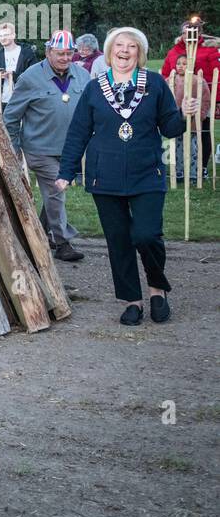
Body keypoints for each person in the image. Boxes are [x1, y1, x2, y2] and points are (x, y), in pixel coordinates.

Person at [57, 27, 198, 326]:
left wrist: (184, 113)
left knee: (146, 235)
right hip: (103, 177)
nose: (124, 51)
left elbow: (170, 128)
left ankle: (157, 290)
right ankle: (132, 300)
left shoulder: (156, 84)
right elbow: (79, 132)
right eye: (118, 45)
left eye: (131, 46)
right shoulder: (95, 88)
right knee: (118, 240)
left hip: (147, 173)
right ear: (109, 52)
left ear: (140, 53)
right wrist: (66, 171)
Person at [4, 30, 90, 261]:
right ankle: (62, 243)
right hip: (39, 149)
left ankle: (40, 232)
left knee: (53, 195)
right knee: (56, 190)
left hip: (70, 150)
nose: (64, 58)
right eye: (59, 53)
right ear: (48, 51)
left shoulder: (83, 76)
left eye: (69, 53)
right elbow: (10, 116)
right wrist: (13, 147)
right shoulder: (31, 77)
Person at [161, 21, 219, 182]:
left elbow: (217, 74)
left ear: (199, 32)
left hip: (201, 97)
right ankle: (179, 168)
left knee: (201, 133)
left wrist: (216, 99)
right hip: (177, 100)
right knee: (178, 135)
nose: (189, 35)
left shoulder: (209, 49)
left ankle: (200, 169)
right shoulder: (174, 51)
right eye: (186, 32)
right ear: (182, 33)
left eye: (193, 31)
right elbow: (166, 73)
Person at [0, 21, 38, 106]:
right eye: (1, 36)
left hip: (24, 100)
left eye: (6, 35)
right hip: (4, 101)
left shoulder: (27, 53)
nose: (3, 38)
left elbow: (34, 76)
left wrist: (13, 75)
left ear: (13, 35)